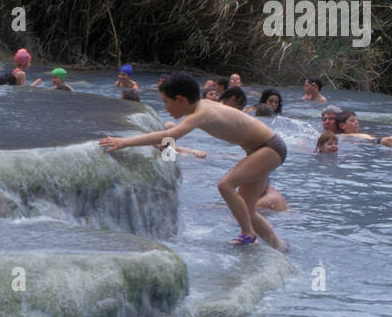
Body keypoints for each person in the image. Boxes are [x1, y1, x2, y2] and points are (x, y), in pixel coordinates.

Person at [99, 71, 287, 248]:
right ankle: (281, 247)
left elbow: (169, 134)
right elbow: (170, 138)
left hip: (269, 148)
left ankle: (248, 235)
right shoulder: (201, 107)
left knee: (225, 185)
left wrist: (124, 142)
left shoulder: (201, 113)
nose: (165, 107)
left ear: (180, 99)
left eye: (166, 102)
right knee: (248, 210)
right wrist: (165, 145)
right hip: (263, 148)